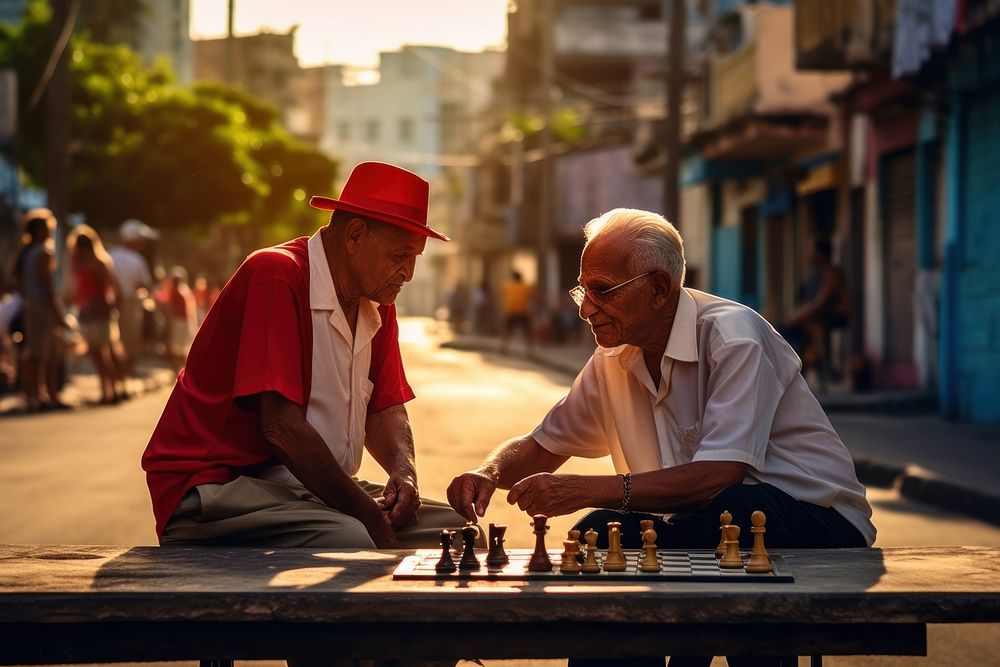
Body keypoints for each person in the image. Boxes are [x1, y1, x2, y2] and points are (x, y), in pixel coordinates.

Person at [447, 208, 875, 667]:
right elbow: (542, 446)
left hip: (816, 516)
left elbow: (718, 476)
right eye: (583, 290)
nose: (586, 308)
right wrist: (487, 471)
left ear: (657, 289)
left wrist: (584, 489)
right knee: (599, 533)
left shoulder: (733, 337)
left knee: (731, 514)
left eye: (602, 290)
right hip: (707, 521)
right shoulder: (612, 358)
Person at [142, 162, 467, 553]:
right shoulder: (277, 274)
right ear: (355, 236)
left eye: (415, 257)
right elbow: (281, 426)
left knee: (458, 533)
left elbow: (385, 407)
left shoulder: (378, 298)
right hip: (214, 485)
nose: (408, 273)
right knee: (353, 540)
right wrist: (368, 517)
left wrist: (405, 472)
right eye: (400, 255)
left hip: (300, 488)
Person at [9, 209, 67, 412]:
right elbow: (47, 285)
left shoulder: (25, 253)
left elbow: (14, 281)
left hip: (31, 306)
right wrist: (57, 310)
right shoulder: (42, 252)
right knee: (42, 355)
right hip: (42, 307)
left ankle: (38, 395)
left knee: (39, 353)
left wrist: (27, 296)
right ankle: (40, 395)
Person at [64, 224, 127, 404]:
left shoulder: (98, 263)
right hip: (88, 313)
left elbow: (114, 288)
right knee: (97, 355)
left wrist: (114, 307)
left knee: (104, 354)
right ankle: (108, 391)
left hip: (100, 313)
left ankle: (113, 390)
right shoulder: (79, 265)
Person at [780, 239, 852, 384]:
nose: (808, 254)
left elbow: (818, 304)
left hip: (835, 316)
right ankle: (805, 365)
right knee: (793, 331)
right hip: (821, 316)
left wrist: (796, 316)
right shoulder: (818, 274)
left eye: (811, 250)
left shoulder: (831, 274)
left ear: (820, 254)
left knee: (793, 329)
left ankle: (811, 366)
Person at [109, 219, 157, 376]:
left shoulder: (110, 254)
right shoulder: (137, 260)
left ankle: (115, 369)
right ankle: (126, 369)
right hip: (131, 302)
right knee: (131, 337)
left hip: (110, 301)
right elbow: (146, 284)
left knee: (113, 336)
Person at [499, 270, 535, 354]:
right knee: (526, 331)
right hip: (521, 312)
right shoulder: (525, 286)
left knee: (508, 331)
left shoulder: (508, 286)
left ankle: (503, 348)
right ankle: (530, 350)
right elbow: (533, 296)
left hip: (512, 311)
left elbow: (502, 297)